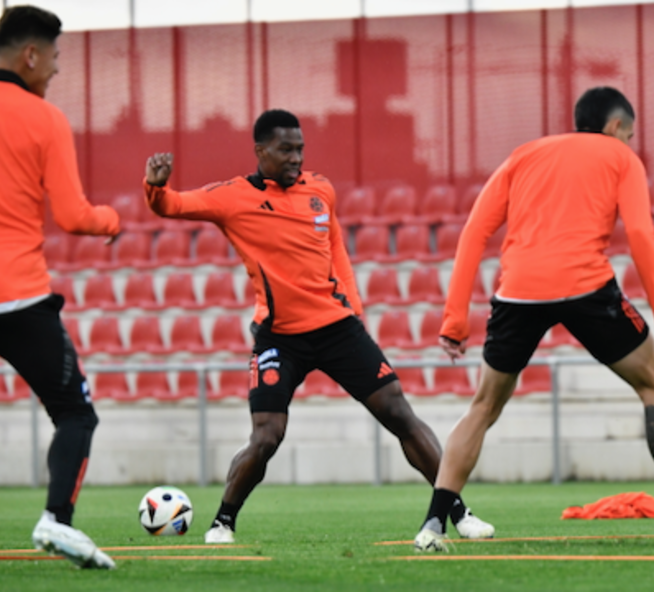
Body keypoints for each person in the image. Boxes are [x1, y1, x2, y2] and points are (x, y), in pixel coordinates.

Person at [142, 109, 493, 544]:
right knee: (267, 437)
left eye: (300, 149)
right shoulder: (232, 197)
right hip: (279, 337)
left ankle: (457, 513)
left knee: (399, 412)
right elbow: (172, 205)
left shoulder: (320, 191)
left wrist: (357, 314)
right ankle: (223, 522)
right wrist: (155, 186)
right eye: (286, 150)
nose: (296, 158)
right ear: (260, 151)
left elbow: (336, 253)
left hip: (337, 328)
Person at [413, 87, 654, 553]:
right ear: (616, 127)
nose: (630, 142)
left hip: (517, 292)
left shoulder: (523, 155)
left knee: (483, 407)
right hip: (586, 287)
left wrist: (455, 320)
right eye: (630, 134)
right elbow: (639, 231)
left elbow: (475, 230)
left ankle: (433, 525)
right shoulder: (620, 158)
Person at [0, 6, 119, 569]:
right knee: (75, 414)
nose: (55, 71)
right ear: (30, 54)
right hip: (18, 299)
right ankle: (56, 521)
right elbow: (76, 215)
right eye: (53, 58)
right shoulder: (45, 118)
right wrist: (112, 221)